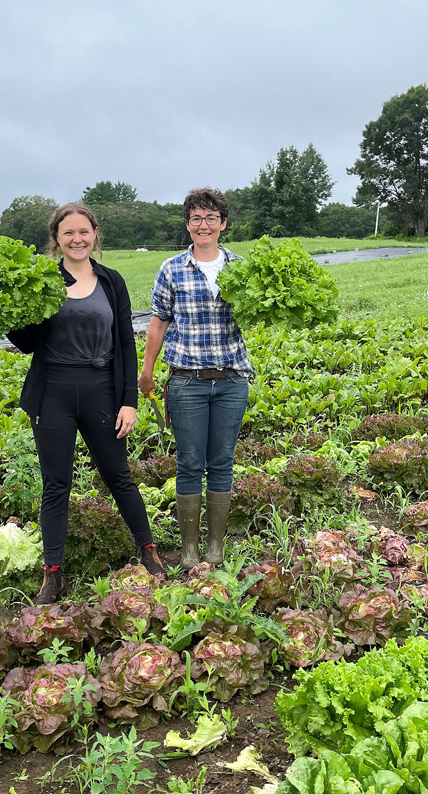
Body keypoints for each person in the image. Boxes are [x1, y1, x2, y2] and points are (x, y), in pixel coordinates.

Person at [8, 202, 164, 604]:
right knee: (56, 484)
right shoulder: (42, 281)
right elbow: (27, 343)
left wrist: (128, 401)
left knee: (118, 475)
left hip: (102, 391)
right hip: (53, 393)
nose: (77, 239)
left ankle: (148, 551)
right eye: (68, 233)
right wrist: (6, 313)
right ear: (56, 238)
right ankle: (53, 576)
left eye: (83, 232)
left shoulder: (111, 281)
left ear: (94, 235)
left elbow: (125, 344)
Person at [138, 187, 253, 568]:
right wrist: (147, 371)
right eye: (196, 218)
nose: (204, 225)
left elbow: (257, 313)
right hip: (187, 381)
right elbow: (159, 322)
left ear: (223, 223)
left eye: (211, 218)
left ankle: (215, 547)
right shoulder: (171, 268)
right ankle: (189, 550)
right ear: (188, 224)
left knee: (221, 461)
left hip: (231, 380)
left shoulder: (240, 267)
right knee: (189, 463)